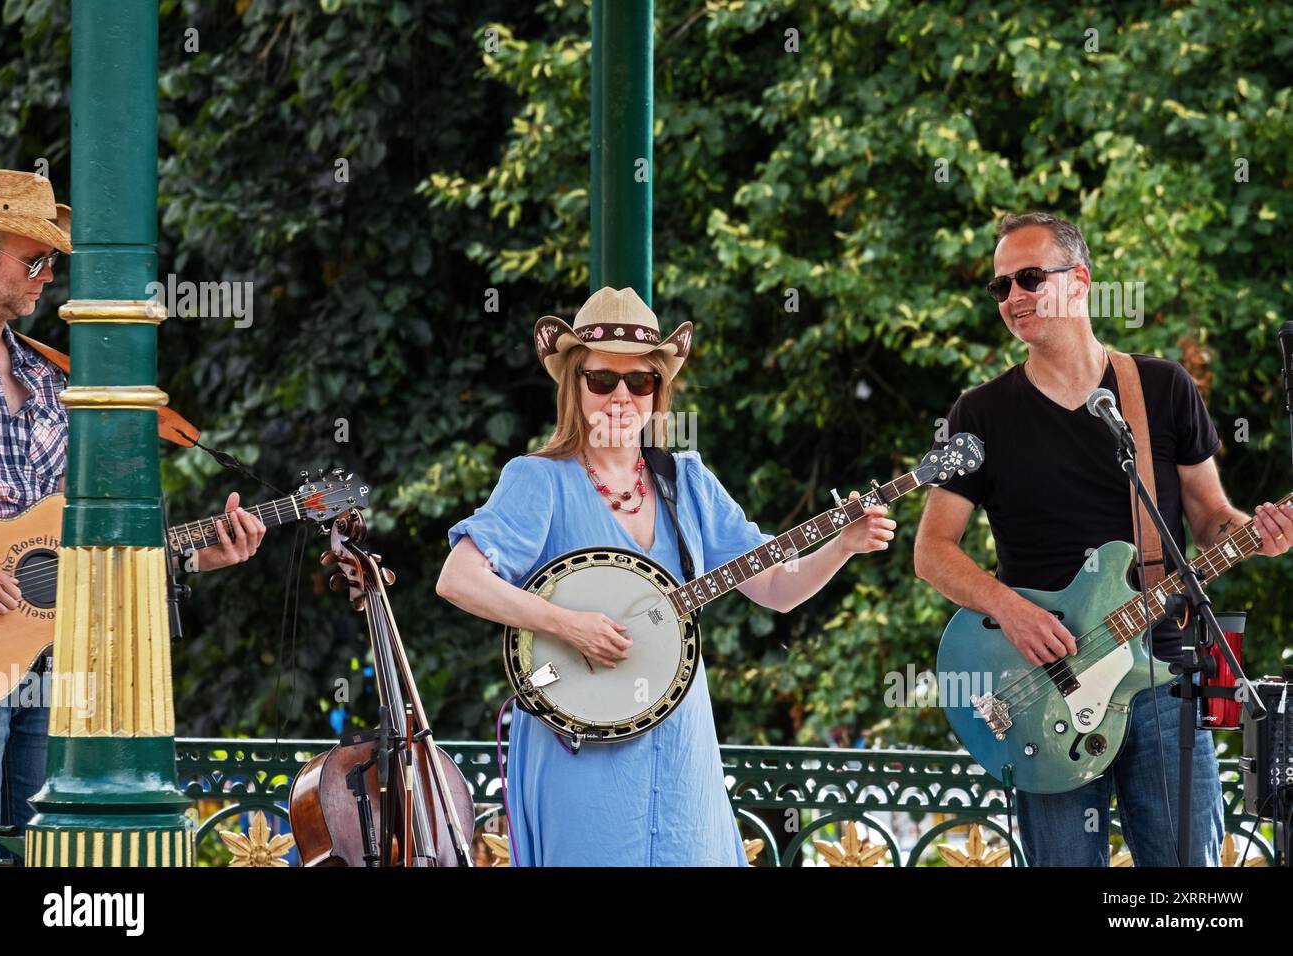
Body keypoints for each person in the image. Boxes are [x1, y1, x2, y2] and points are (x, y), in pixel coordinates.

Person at [436, 285, 897, 865]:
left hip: (681, 747)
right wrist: (568, 625)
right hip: (580, 750)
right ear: (574, 386)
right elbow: (459, 578)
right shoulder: (538, 480)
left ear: (659, 391)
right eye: (603, 380)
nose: (621, 396)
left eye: (641, 381)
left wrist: (843, 546)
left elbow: (778, 589)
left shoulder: (688, 480)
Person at [913, 211, 1293, 866]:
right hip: (1040, 688)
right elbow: (932, 551)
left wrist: (1262, 534)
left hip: (1163, 678)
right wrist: (1010, 608)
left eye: (1029, 278)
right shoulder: (979, 413)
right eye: (1001, 286)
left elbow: (1212, 520)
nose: (1012, 298)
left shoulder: (1159, 389)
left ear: (1081, 280)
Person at [0, 169, 266, 856]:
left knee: (36, 847)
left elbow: (74, 543)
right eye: (35, 258)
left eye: (51, 262)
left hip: (48, 652)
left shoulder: (51, 375)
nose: (48, 276)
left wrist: (198, 554)